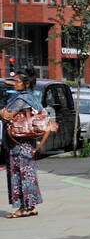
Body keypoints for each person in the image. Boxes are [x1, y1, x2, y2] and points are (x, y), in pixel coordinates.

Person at [0, 69, 49, 218]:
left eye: (17, 82)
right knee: (27, 174)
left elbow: (6, 114)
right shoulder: (31, 98)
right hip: (26, 142)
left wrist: (4, 112)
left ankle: (24, 208)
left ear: (26, 84)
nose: (15, 84)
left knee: (19, 174)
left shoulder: (22, 99)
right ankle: (30, 207)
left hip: (18, 144)